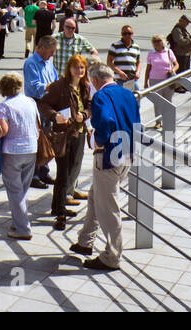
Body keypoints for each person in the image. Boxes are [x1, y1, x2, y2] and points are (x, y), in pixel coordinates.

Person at [70, 63, 141, 271]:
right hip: (127, 151)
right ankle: (85, 241)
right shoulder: (128, 94)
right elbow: (137, 123)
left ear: (95, 80)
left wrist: (97, 140)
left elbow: (105, 124)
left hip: (109, 155)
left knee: (108, 206)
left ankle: (112, 255)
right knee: (96, 197)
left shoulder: (101, 97)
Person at [39, 53, 91, 230]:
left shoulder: (84, 86)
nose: (79, 70)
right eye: (76, 67)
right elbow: (44, 104)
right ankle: (60, 211)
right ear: (69, 68)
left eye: (82, 67)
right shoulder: (60, 86)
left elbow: (90, 106)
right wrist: (55, 116)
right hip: (63, 135)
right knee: (62, 173)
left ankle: (57, 206)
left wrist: (83, 115)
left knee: (71, 170)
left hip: (79, 132)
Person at [0, 73, 38, 241]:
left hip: (12, 151)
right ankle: (19, 220)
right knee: (23, 189)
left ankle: (23, 228)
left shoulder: (5, 106)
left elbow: (4, 130)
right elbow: (37, 125)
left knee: (14, 190)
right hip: (31, 148)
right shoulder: (31, 102)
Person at [23, 35, 59, 188]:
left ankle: (44, 171)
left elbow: (56, 80)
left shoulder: (49, 63)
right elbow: (34, 87)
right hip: (37, 104)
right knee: (38, 139)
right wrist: (51, 86)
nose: (52, 55)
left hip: (49, 104)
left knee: (48, 138)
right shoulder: (31, 63)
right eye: (51, 51)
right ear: (41, 48)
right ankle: (34, 174)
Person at [106, 25, 141, 90]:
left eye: (129, 33)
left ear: (132, 34)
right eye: (124, 34)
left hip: (132, 80)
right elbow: (109, 62)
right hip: (119, 80)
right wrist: (120, 72)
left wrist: (138, 72)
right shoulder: (115, 46)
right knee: (120, 99)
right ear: (121, 34)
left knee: (134, 99)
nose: (127, 35)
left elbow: (138, 62)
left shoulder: (136, 47)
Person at [168, 15, 191, 79]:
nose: (187, 24)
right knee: (181, 71)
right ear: (182, 21)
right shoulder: (177, 29)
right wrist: (190, 40)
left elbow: (184, 37)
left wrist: (190, 36)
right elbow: (180, 41)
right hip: (180, 53)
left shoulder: (182, 29)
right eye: (186, 22)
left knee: (186, 71)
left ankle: (184, 86)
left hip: (185, 53)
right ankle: (179, 87)